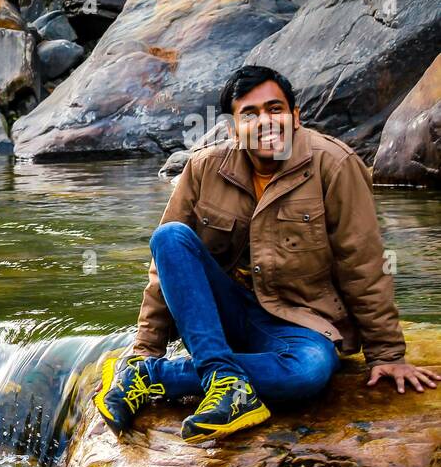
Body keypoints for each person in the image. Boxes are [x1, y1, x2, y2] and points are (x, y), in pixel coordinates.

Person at [95, 65, 438, 444]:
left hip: (300, 324)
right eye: (250, 114)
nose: (265, 122)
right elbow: (167, 271)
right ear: (232, 129)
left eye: (275, 109)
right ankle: (222, 384)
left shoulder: (334, 165)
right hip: (221, 321)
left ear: (295, 116)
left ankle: (156, 377)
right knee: (170, 237)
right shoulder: (203, 168)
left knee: (308, 372)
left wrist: (386, 353)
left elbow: (363, 264)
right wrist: (145, 347)